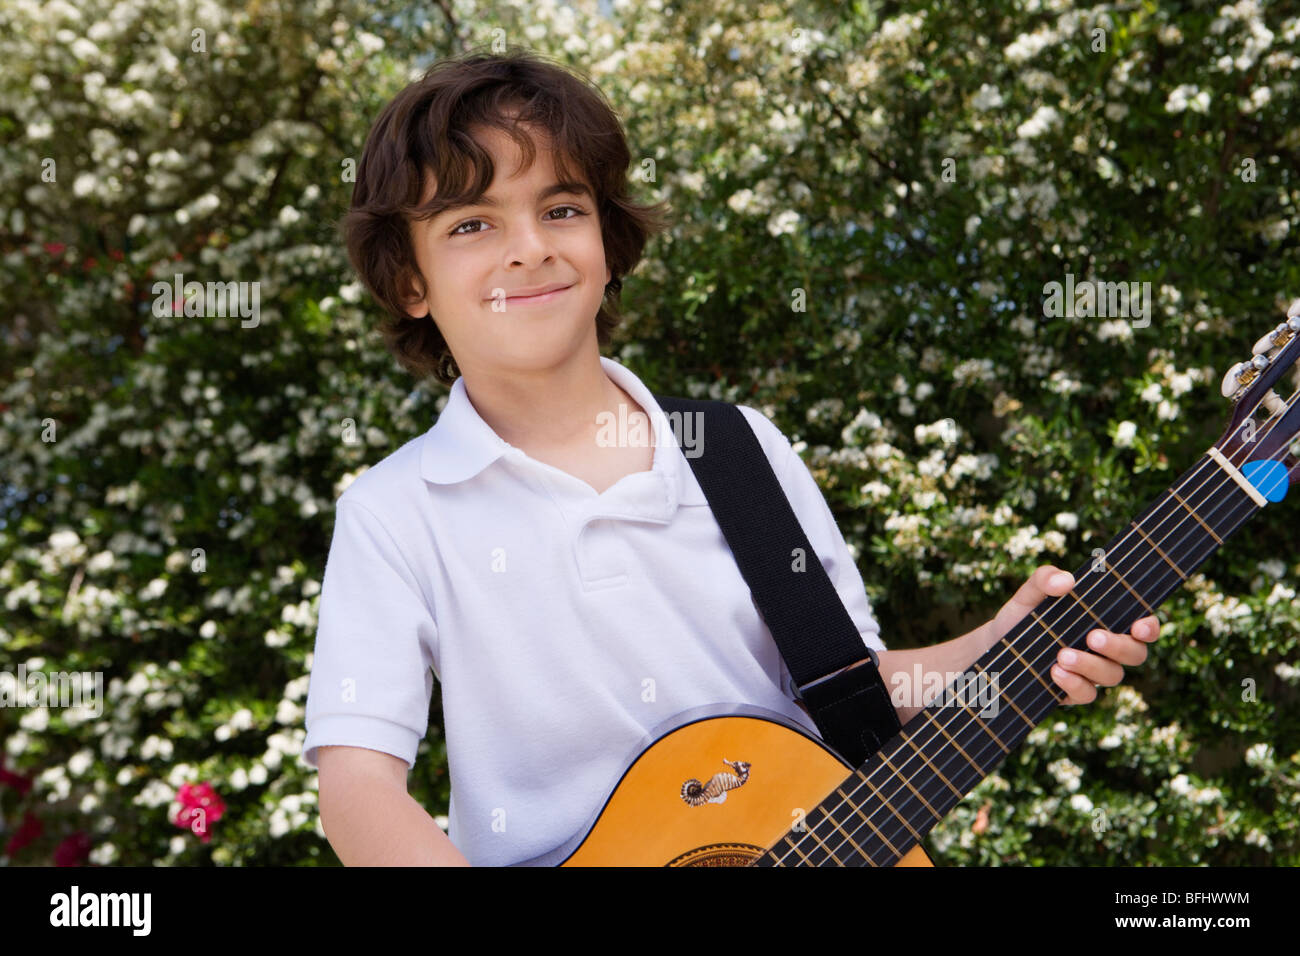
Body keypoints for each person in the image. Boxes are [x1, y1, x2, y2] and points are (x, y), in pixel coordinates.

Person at [300, 47, 1161, 867]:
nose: (529, 246)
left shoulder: (738, 450)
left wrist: (999, 648)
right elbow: (357, 784)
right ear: (409, 283)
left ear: (609, 241)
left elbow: (850, 695)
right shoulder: (395, 511)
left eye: (562, 208)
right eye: (472, 223)